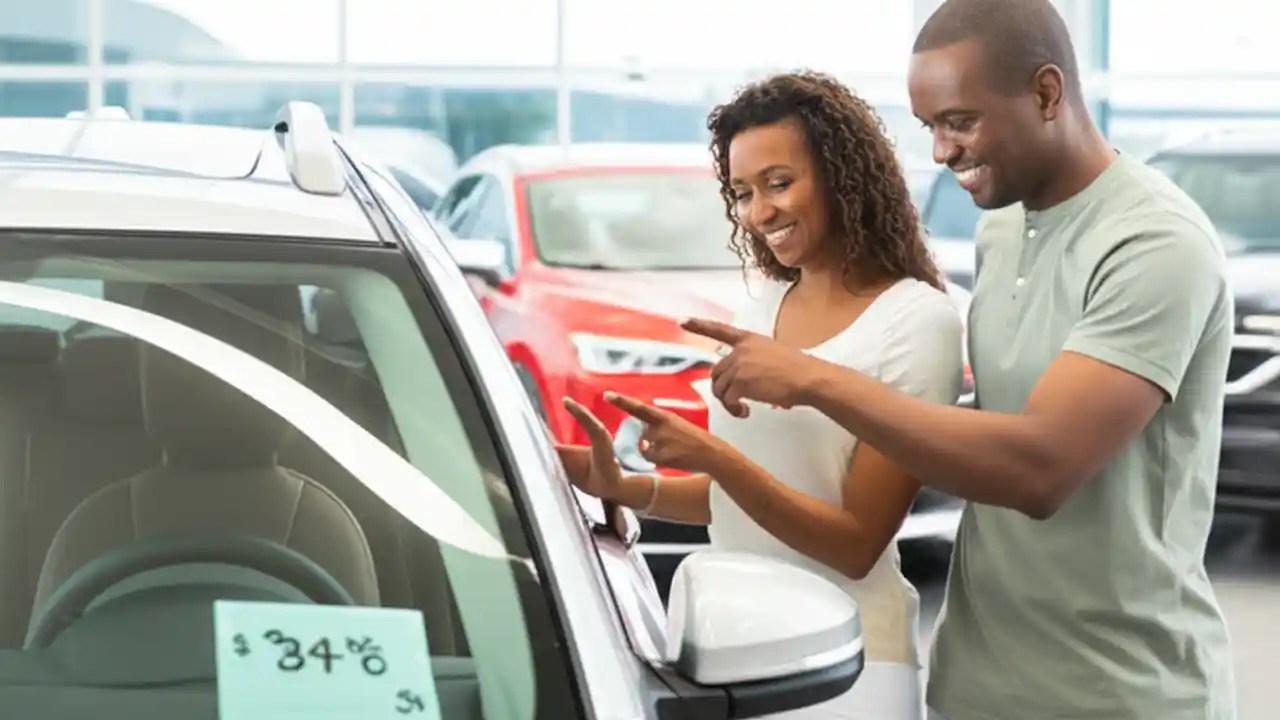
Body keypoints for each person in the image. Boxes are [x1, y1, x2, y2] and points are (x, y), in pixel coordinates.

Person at [678, 2, 1239, 720]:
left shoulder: (1157, 244)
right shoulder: (1001, 229)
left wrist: (815, 379)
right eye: (929, 128)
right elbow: (974, 430)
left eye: (959, 122)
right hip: (974, 682)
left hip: (1124, 693)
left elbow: (1038, 468)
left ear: (1046, 93)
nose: (941, 152)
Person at [556, 71, 965, 719]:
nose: (757, 212)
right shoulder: (767, 298)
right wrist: (628, 487)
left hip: (845, 667)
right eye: (742, 192)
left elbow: (856, 542)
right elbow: (751, 501)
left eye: (778, 184)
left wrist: (713, 456)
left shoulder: (917, 323)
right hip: (735, 645)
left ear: (842, 175)